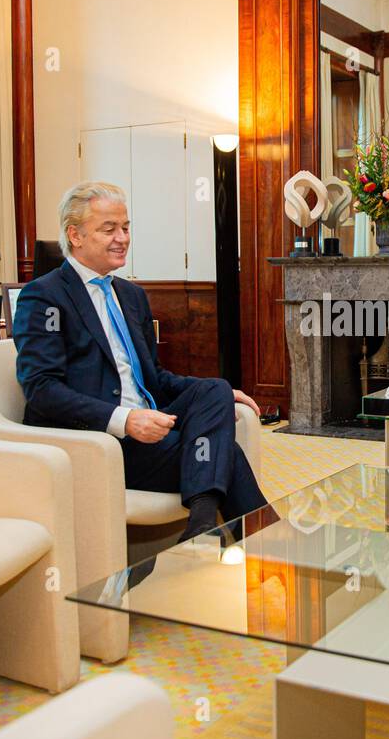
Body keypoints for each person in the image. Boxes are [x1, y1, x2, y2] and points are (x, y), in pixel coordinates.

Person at [13, 181, 266, 536]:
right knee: (228, 455)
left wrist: (216, 395)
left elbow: (155, 378)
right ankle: (241, 536)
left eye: (126, 228)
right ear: (76, 235)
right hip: (97, 440)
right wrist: (124, 420)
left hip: (151, 419)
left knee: (216, 389)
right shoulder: (44, 297)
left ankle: (206, 526)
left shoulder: (130, 295)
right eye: (109, 229)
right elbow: (42, 390)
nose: (122, 238)